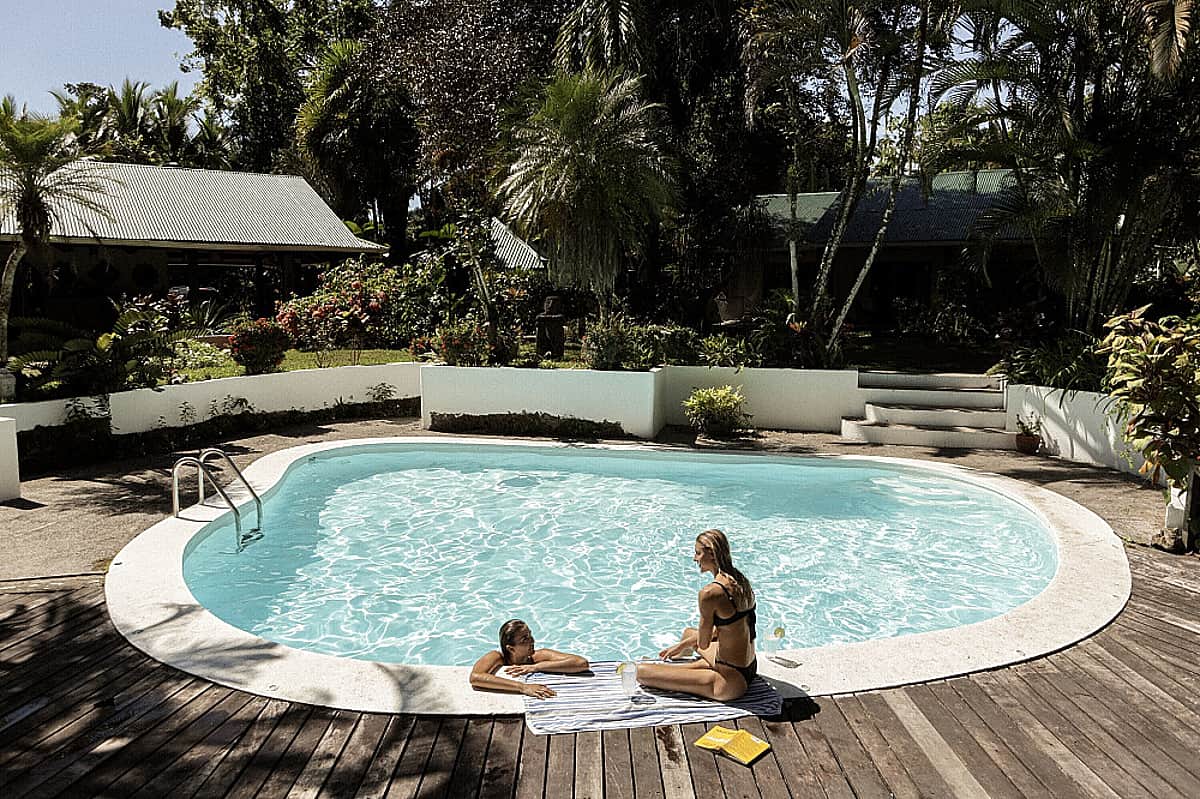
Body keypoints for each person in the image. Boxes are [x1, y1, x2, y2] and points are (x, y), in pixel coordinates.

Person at [637, 528, 757, 701]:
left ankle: (683, 667)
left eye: (698, 553)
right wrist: (681, 645)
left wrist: (685, 645)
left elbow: (703, 642)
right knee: (688, 633)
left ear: (712, 555)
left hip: (728, 682)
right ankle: (688, 665)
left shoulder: (710, 593)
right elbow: (728, 629)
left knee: (642, 672)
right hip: (749, 666)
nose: (695, 558)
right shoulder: (741, 580)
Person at [469, 618, 589, 699]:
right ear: (511, 649)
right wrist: (523, 687)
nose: (532, 641)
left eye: (530, 635)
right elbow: (475, 677)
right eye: (525, 639)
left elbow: (581, 663)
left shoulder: (538, 656)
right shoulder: (497, 657)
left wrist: (535, 667)